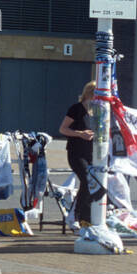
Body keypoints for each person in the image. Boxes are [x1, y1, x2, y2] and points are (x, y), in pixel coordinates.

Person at [58, 80, 97, 229]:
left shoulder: (96, 111)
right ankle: (75, 215)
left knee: (92, 184)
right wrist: (80, 134)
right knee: (87, 181)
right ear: (90, 93)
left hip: (91, 153)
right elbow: (63, 129)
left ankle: (85, 218)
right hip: (76, 153)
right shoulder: (76, 109)